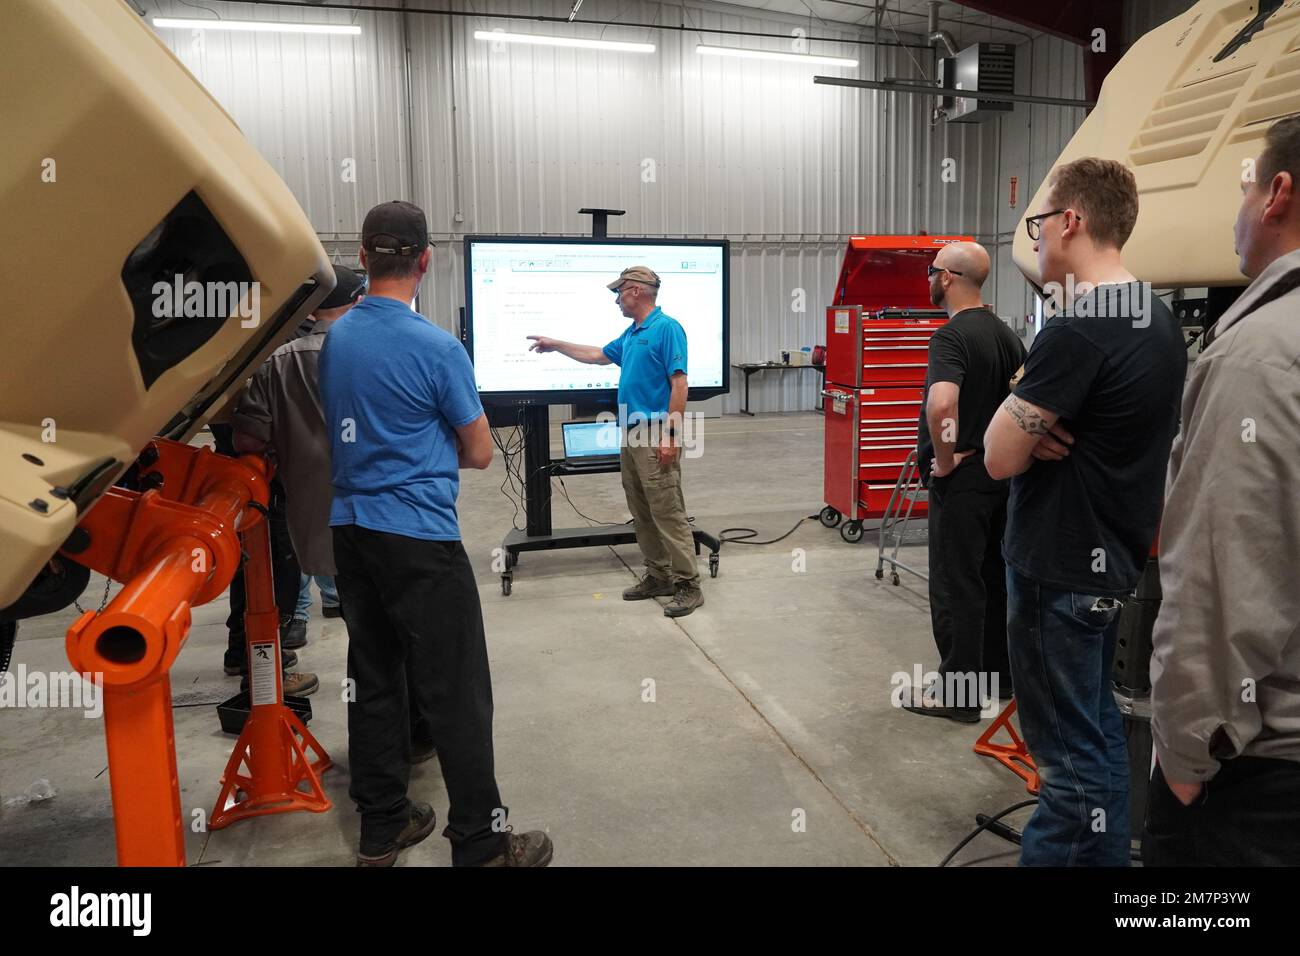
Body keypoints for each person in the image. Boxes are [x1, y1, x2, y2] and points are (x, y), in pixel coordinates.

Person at [319, 200, 552, 867]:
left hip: (351, 533)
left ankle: (383, 823)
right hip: (419, 539)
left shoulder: (338, 339)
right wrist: (421, 450)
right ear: (425, 260)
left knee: (374, 675)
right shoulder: (437, 348)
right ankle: (479, 843)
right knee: (457, 693)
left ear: (363, 259)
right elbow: (479, 452)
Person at [984, 157, 1186, 866]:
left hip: (1058, 568)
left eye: (1040, 226)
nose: (1037, 244)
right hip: (1108, 563)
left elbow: (996, 454)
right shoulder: (1154, 316)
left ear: (1072, 221)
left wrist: (1024, 428)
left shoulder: (1081, 324)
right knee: (1093, 735)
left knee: (1068, 774)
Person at [1143, 117, 1300, 866]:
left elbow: (1223, 584)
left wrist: (1182, 757)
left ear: (1276, 194)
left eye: (1242, 188)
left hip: (1262, 776)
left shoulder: (1259, 356)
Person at [233, 263, 435, 761]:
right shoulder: (385, 348)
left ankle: (383, 749)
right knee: (404, 630)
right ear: (359, 298)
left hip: (318, 523)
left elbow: (247, 438)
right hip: (391, 514)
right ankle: (408, 737)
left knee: (365, 630)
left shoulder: (278, 361)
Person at [527, 266, 702, 617]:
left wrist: (671, 435)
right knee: (641, 509)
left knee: (667, 509)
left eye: (619, 292)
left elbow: (679, 384)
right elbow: (597, 355)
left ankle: (688, 584)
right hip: (632, 433)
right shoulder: (633, 333)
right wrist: (555, 344)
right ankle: (658, 575)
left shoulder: (666, 329)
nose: (617, 300)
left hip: (654, 432)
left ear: (636, 291)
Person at [903, 241, 1025, 724]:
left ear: (948, 278)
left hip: (965, 480)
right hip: (1002, 477)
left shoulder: (951, 337)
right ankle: (997, 678)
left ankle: (958, 694)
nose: (929, 279)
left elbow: (941, 405)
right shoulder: (1006, 334)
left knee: (957, 586)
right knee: (993, 578)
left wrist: (948, 461)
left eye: (932, 271)